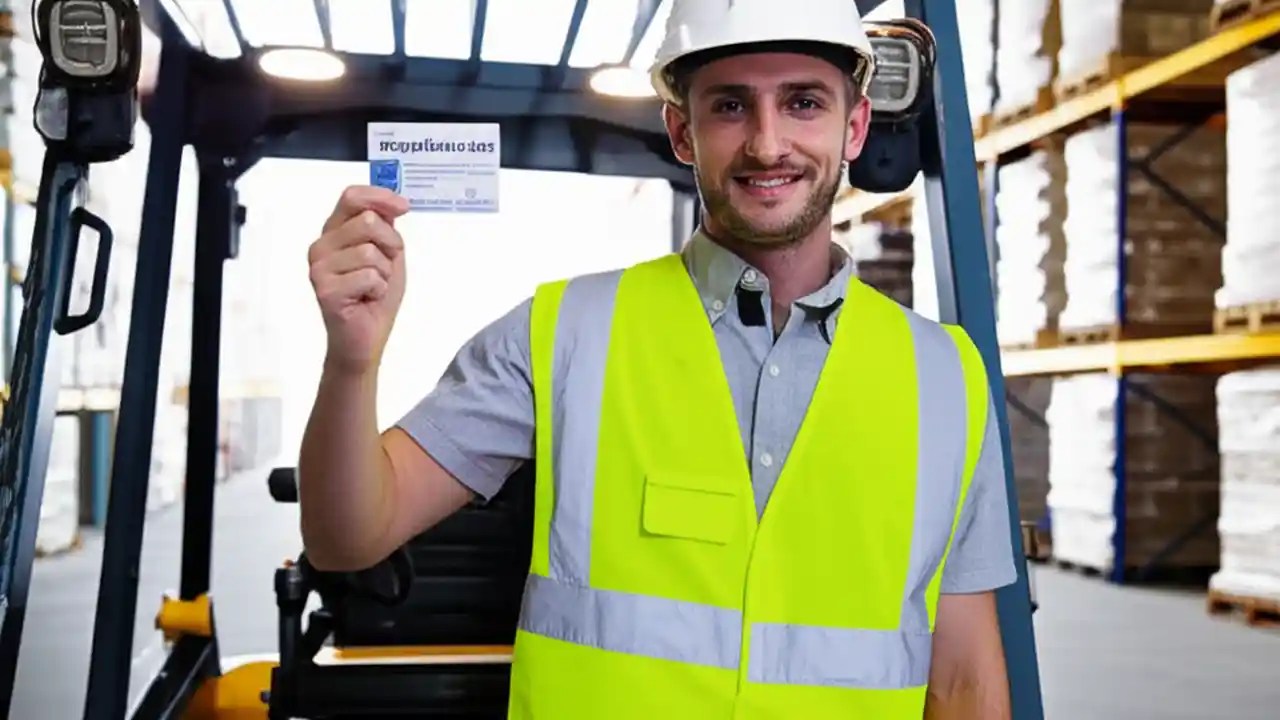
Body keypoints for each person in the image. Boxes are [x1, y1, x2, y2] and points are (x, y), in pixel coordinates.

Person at [298, 0, 1017, 717]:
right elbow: (347, 537)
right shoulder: (565, 334)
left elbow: (962, 680)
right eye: (731, 106)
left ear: (854, 126)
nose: (768, 145)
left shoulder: (944, 379)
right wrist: (350, 364)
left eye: (803, 102)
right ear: (682, 131)